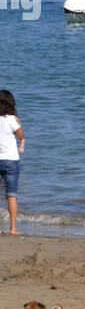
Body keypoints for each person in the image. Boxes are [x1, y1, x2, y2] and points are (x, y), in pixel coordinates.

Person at [0, 89, 24, 235]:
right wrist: (17, 119)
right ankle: (13, 228)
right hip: (10, 160)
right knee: (12, 195)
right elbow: (21, 135)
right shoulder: (12, 119)